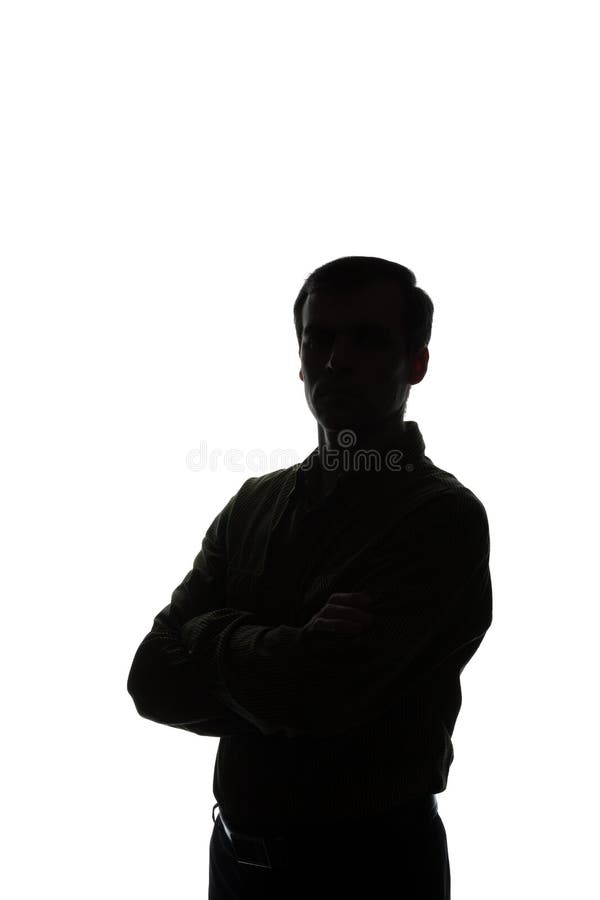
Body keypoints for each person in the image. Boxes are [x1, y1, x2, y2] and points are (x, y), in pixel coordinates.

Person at [127, 255, 493, 899]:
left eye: (368, 338)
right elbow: (150, 679)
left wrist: (210, 632)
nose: (335, 357)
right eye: (318, 337)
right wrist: (277, 651)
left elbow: (317, 697)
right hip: (236, 866)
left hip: (371, 873)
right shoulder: (252, 505)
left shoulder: (441, 519)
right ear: (298, 357)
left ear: (417, 363)